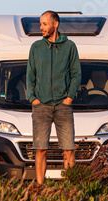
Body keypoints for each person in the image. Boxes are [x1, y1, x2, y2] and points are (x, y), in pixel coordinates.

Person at [26, 10, 81, 186]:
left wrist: (70, 97)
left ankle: (70, 187)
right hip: (41, 105)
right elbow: (30, 75)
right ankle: (40, 186)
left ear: (55, 24)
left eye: (44, 24)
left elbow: (76, 74)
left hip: (63, 105)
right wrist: (32, 98)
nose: (41, 27)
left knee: (68, 149)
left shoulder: (70, 46)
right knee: (40, 149)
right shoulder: (36, 47)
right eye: (40, 24)